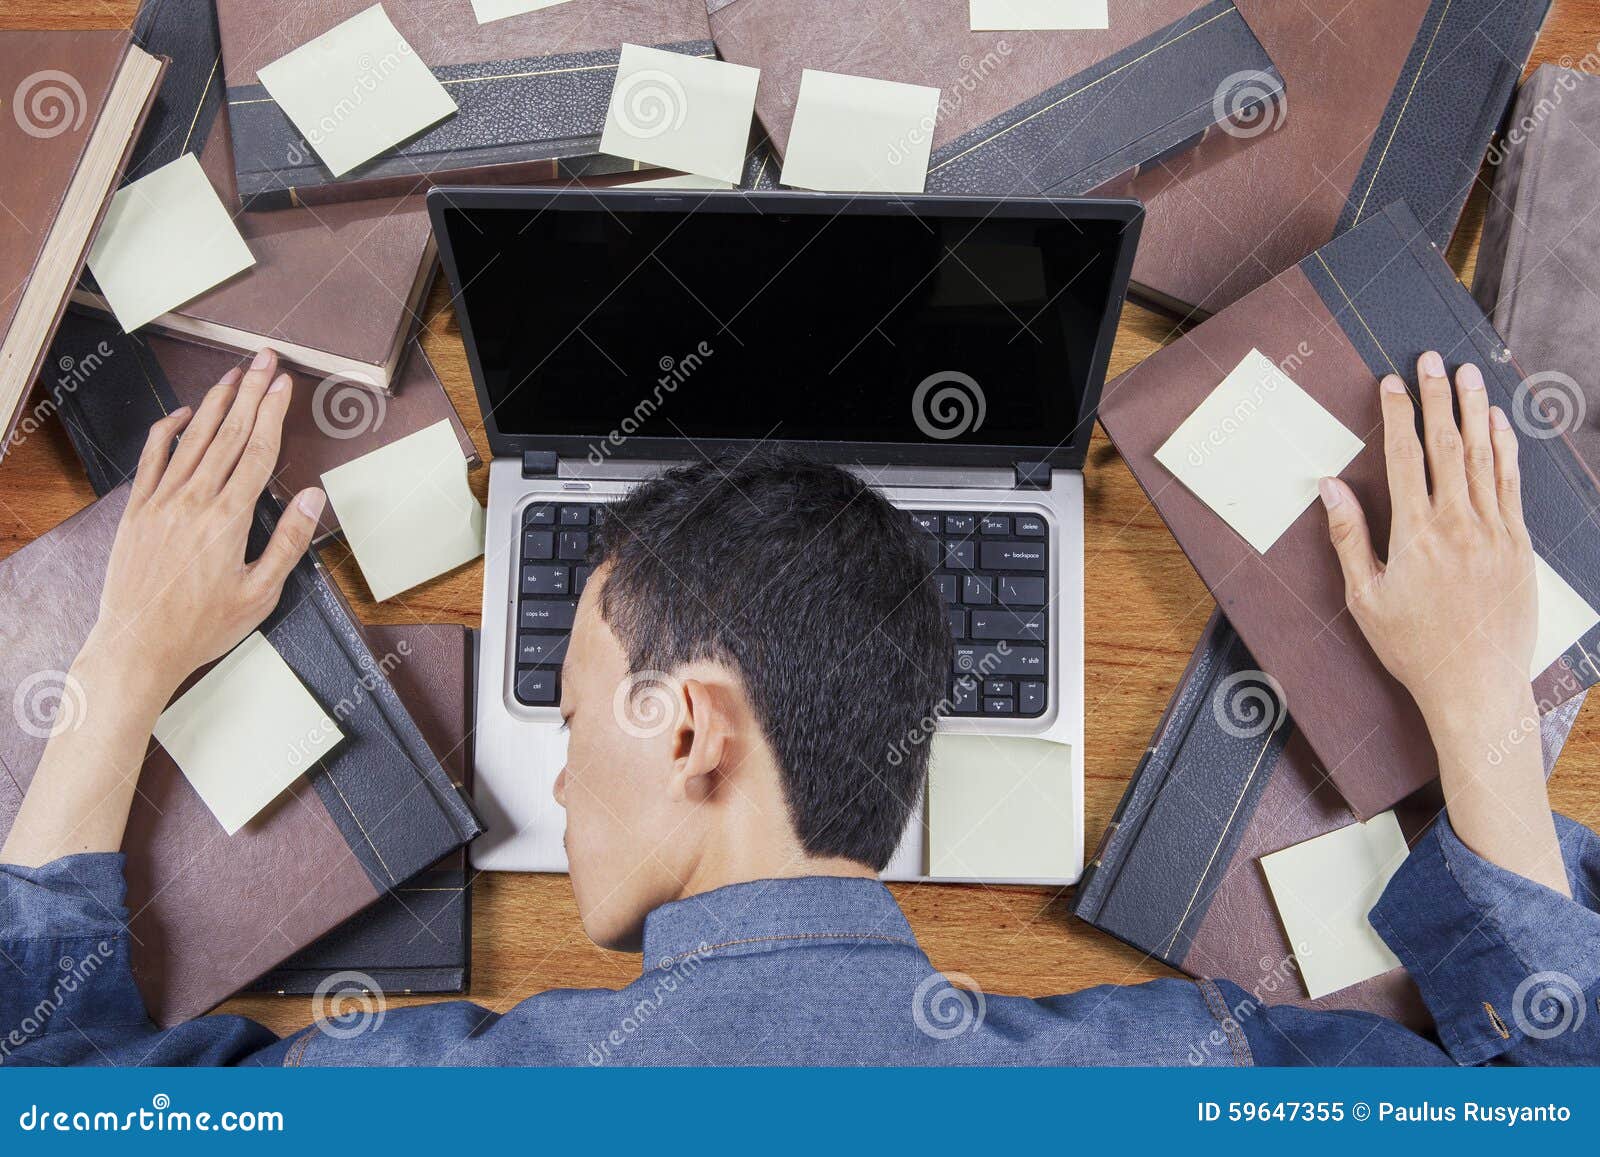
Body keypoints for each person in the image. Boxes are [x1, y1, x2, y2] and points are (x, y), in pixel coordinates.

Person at [2, 349, 1596, 1066]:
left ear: (691, 726)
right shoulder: (1178, 1070)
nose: (552, 781)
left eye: (573, 721)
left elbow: (36, 1080)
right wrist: (1474, 700)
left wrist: (126, 664)